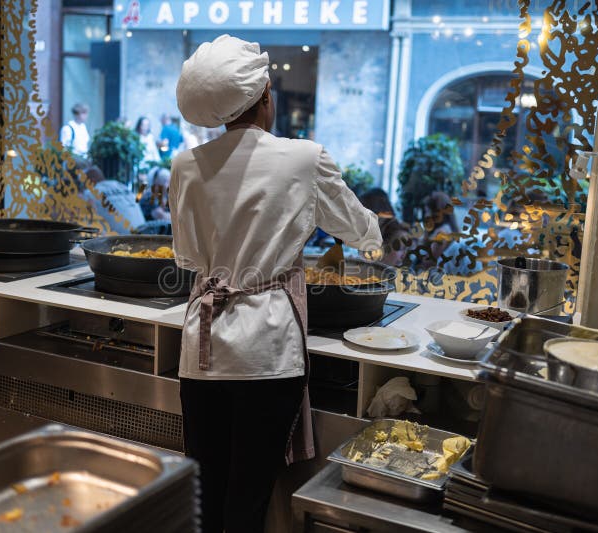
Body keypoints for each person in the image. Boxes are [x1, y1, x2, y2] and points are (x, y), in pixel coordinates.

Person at [170, 34, 382, 533]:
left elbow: (187, 258)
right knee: (249, 497)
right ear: (266, 94)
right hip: (267, 351)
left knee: (205, 492)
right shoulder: (303, 158)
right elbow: (362, 232)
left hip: (201, 347)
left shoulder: (185, 165)